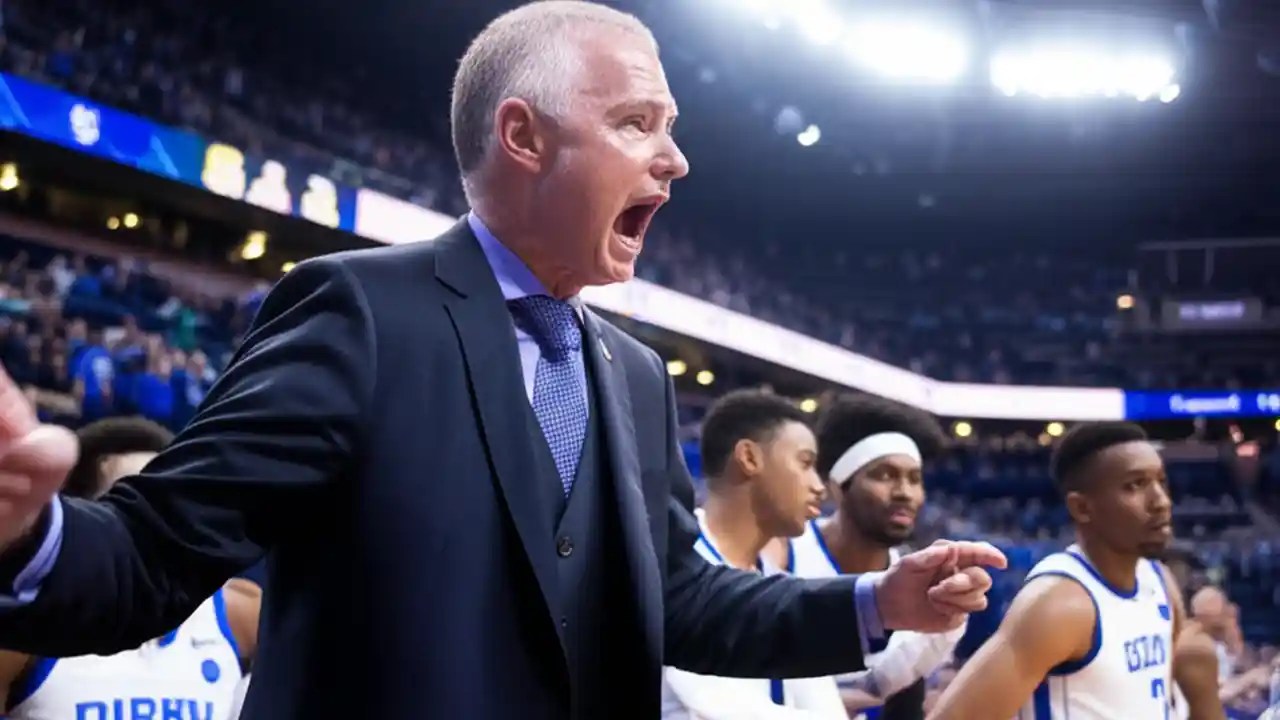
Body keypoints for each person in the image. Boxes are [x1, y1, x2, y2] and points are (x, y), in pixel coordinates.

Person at [0, 3, 1004, 718]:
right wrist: (23, 534)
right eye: (635, 123)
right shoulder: (359, 310)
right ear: (523, 136)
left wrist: (877, 604)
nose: (674, 159)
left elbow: (680, 600)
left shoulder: (634, 375)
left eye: (671, 128)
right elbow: (154, 553)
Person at [927, 422, 1225, 720]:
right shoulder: (1060, 605)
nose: (1161, 501)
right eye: (1135, 485)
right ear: (1082, 508)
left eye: (1161, 481)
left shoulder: (1160, 581)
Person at [0, 417, 259, 720]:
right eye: (135, 509)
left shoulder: (236, 612)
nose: (157, 523)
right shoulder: (23, 640)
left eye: (168, 505)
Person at [764, 395, 961, 720]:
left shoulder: (918, 580)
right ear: (839, 488)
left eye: (915, 479)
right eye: (884, 475)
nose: (904, 492)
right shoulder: (784, 552)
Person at [661, 389, 844, 719]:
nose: (819, 485)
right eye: (805, 463)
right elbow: (722, 707)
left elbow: (828, 708)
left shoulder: (780, 584)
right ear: (749, 457)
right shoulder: (672, 565)